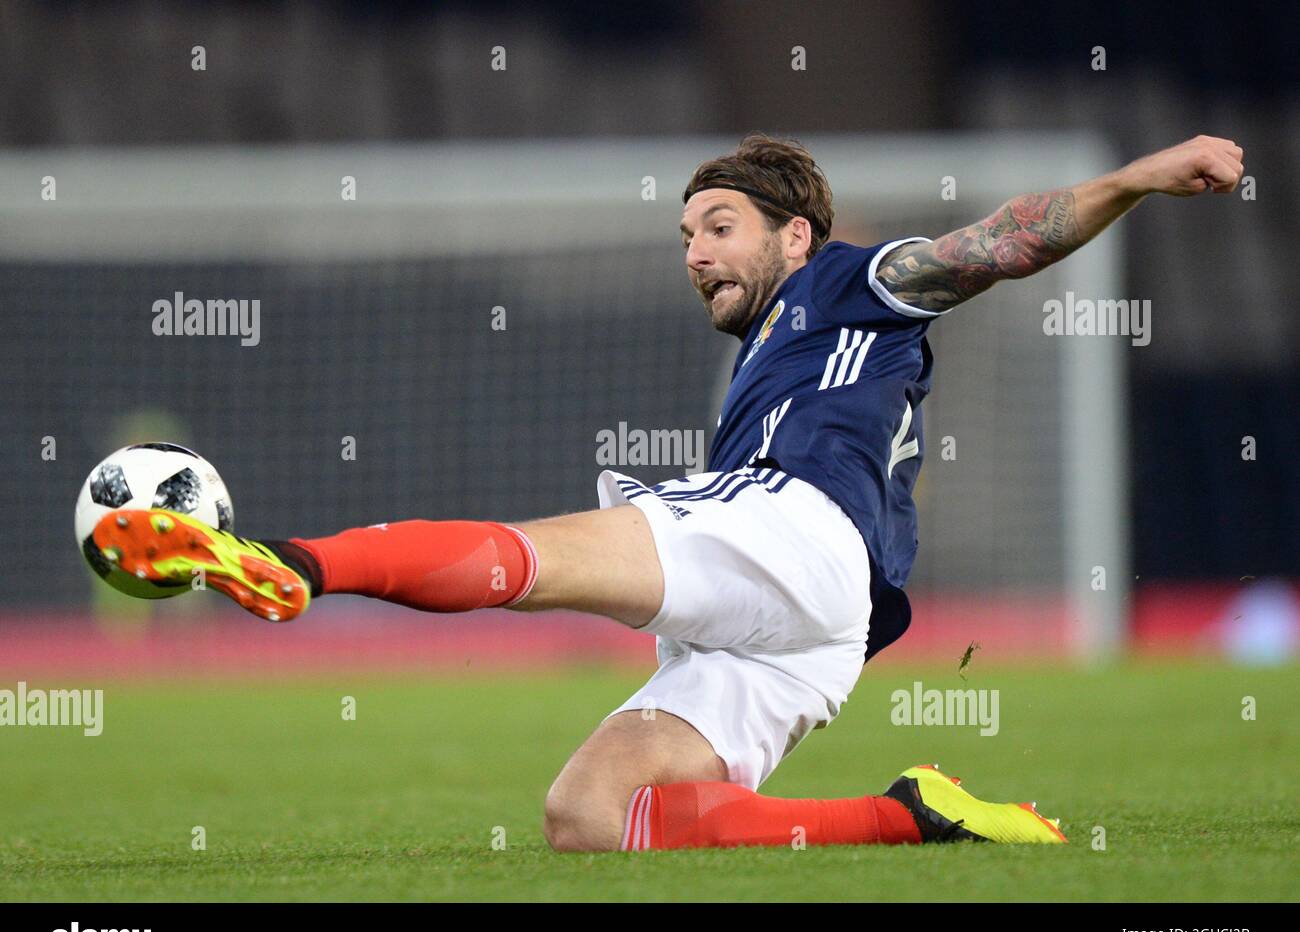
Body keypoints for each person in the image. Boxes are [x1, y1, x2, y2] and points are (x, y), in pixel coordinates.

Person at [94, 132, 1244, 851]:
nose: (693, 250)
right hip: (820, 631)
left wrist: (1141, 176)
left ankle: (296, 565)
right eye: (686, 231)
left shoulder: (854, 280)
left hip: (796, 532)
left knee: (538, 558)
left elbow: (1001, 242)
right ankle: (912, 812)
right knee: (588, 816)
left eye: (719, 226)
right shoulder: (770, 352)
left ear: (796, 235)